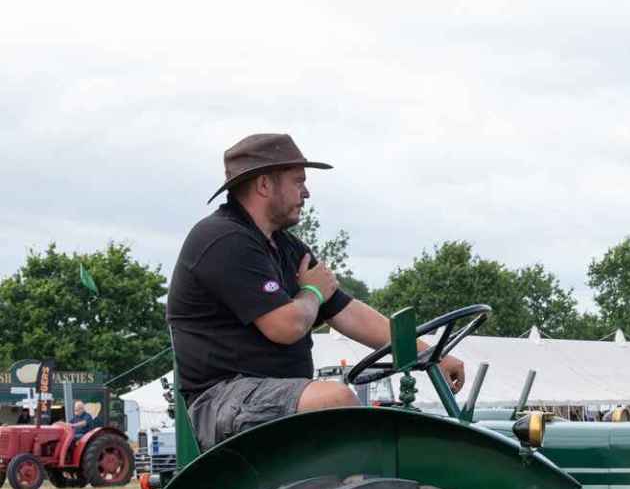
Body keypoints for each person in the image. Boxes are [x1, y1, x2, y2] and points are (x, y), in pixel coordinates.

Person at [167, 133, 466, 450]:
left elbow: (348, 313)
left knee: (383, 424)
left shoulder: (285, 246)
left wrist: (431, 354)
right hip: (222, 400)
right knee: (336, 399)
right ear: (264, 184)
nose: (306, 193)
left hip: (273, 394)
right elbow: (285, 326)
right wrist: (311, 290)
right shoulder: (223, 239)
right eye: (298, 181)